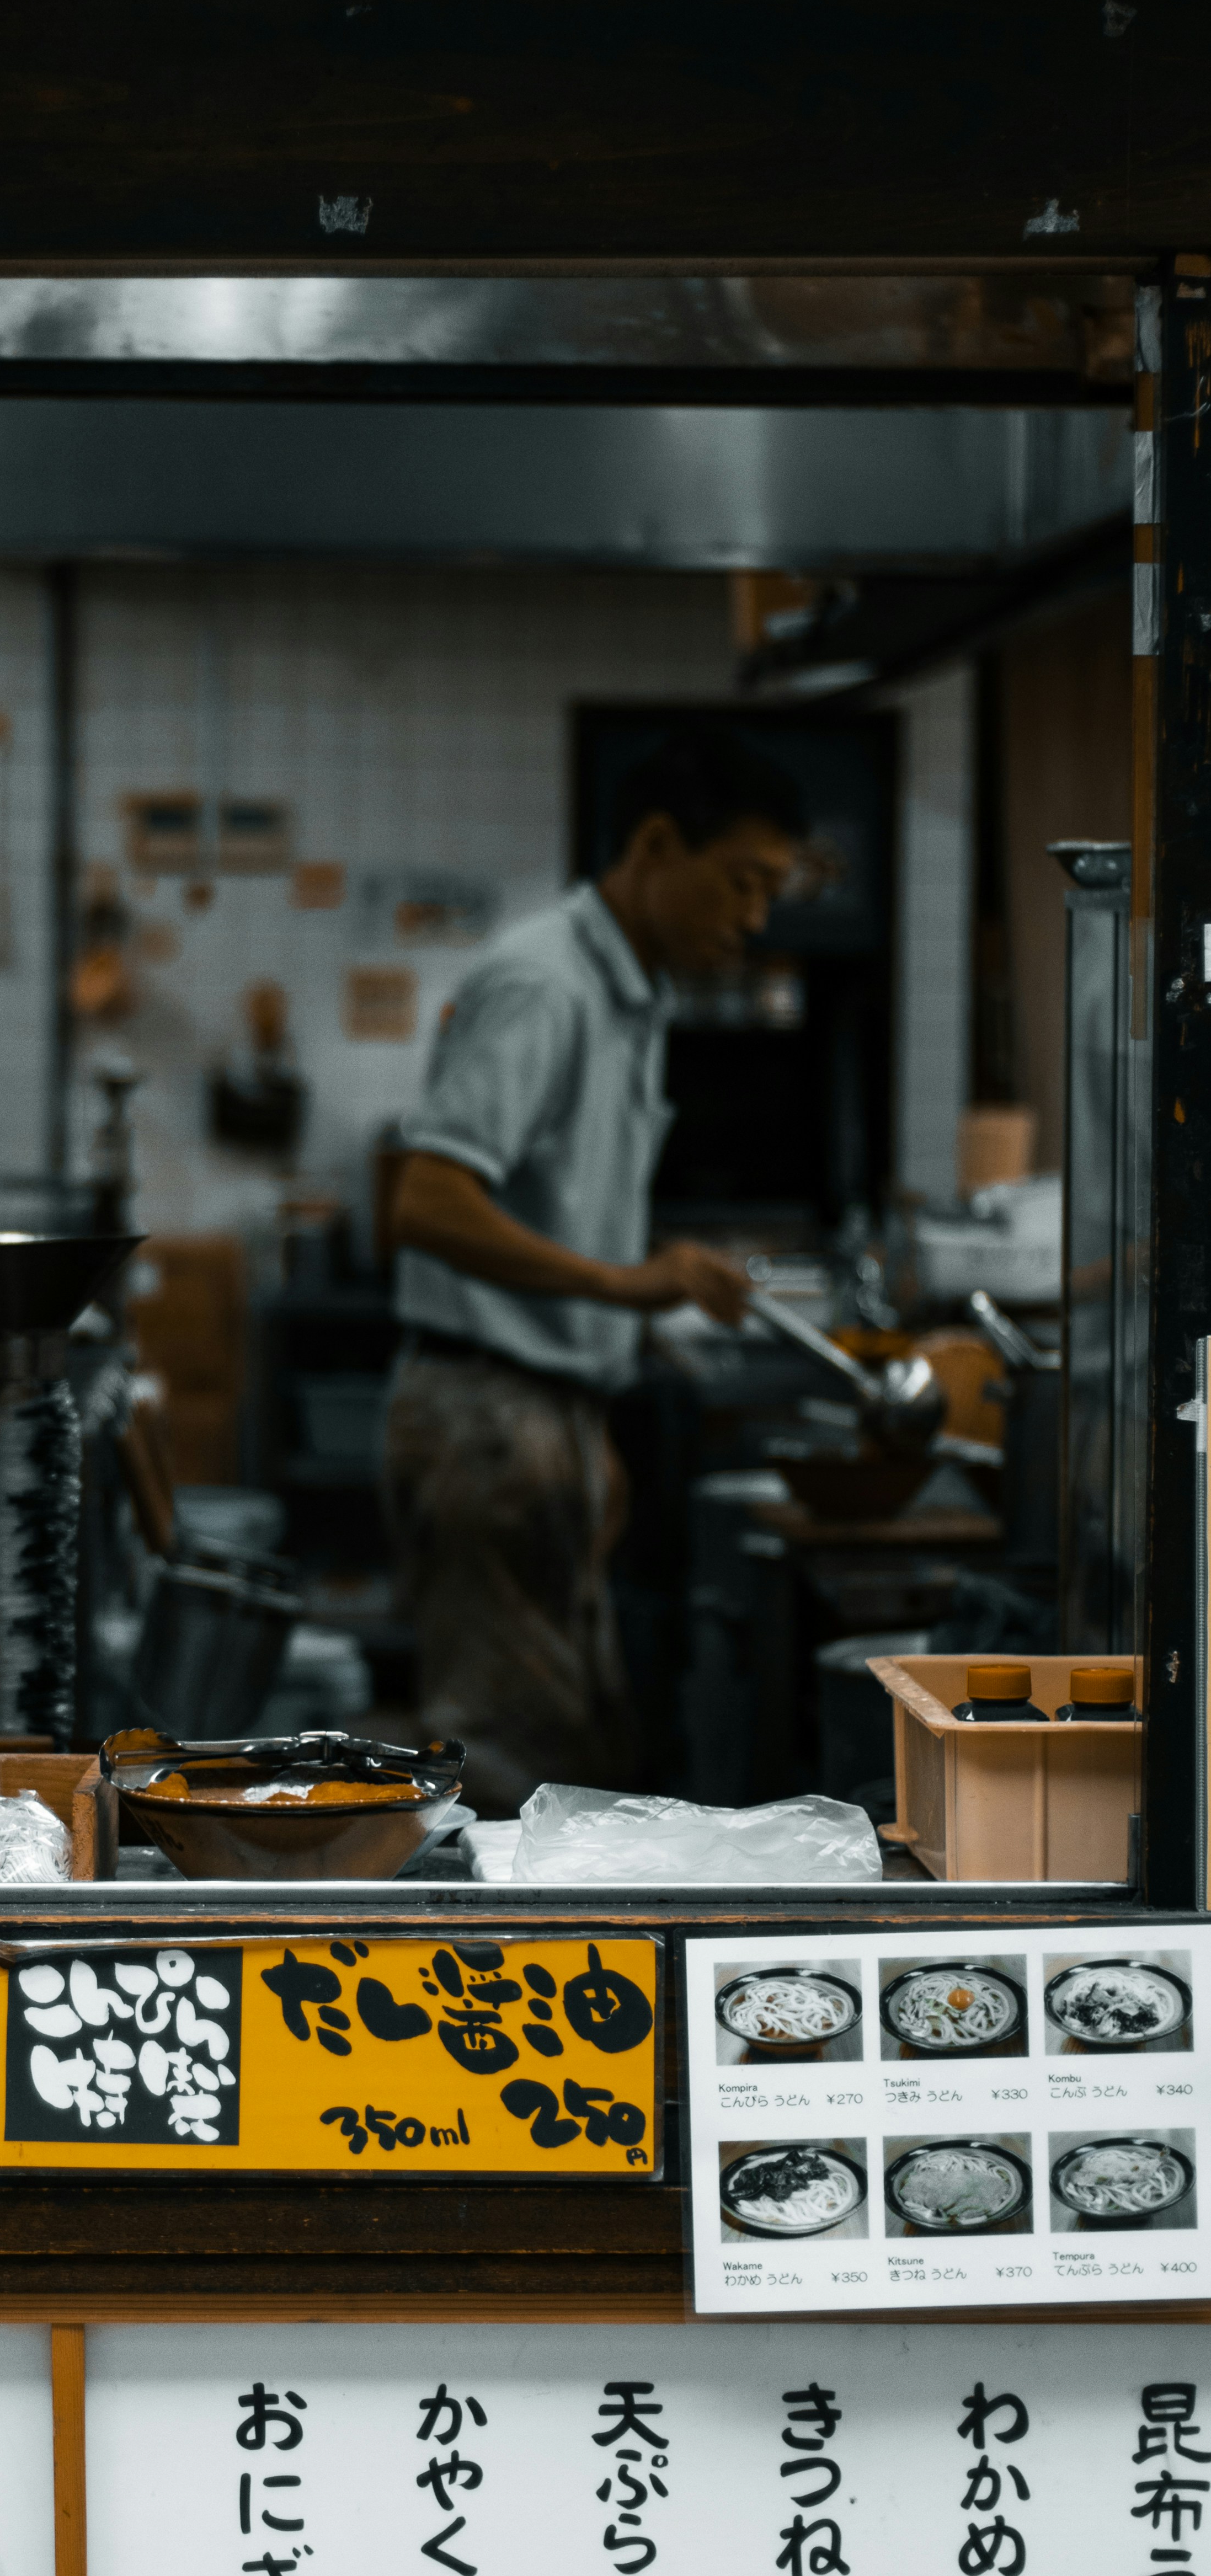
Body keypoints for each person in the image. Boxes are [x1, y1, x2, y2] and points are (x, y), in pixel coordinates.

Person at [384, 724, 811, 1815]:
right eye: (741, 883)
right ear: (657, 845)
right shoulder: (546, 986)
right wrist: (629, 1286)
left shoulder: (632, 994)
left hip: (540, 1408)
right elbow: (426, 1201)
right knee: (506, 1757)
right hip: (487, 1409)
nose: (753, 920)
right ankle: (479, 1974)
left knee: (570, 1740)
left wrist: (597, 1387)